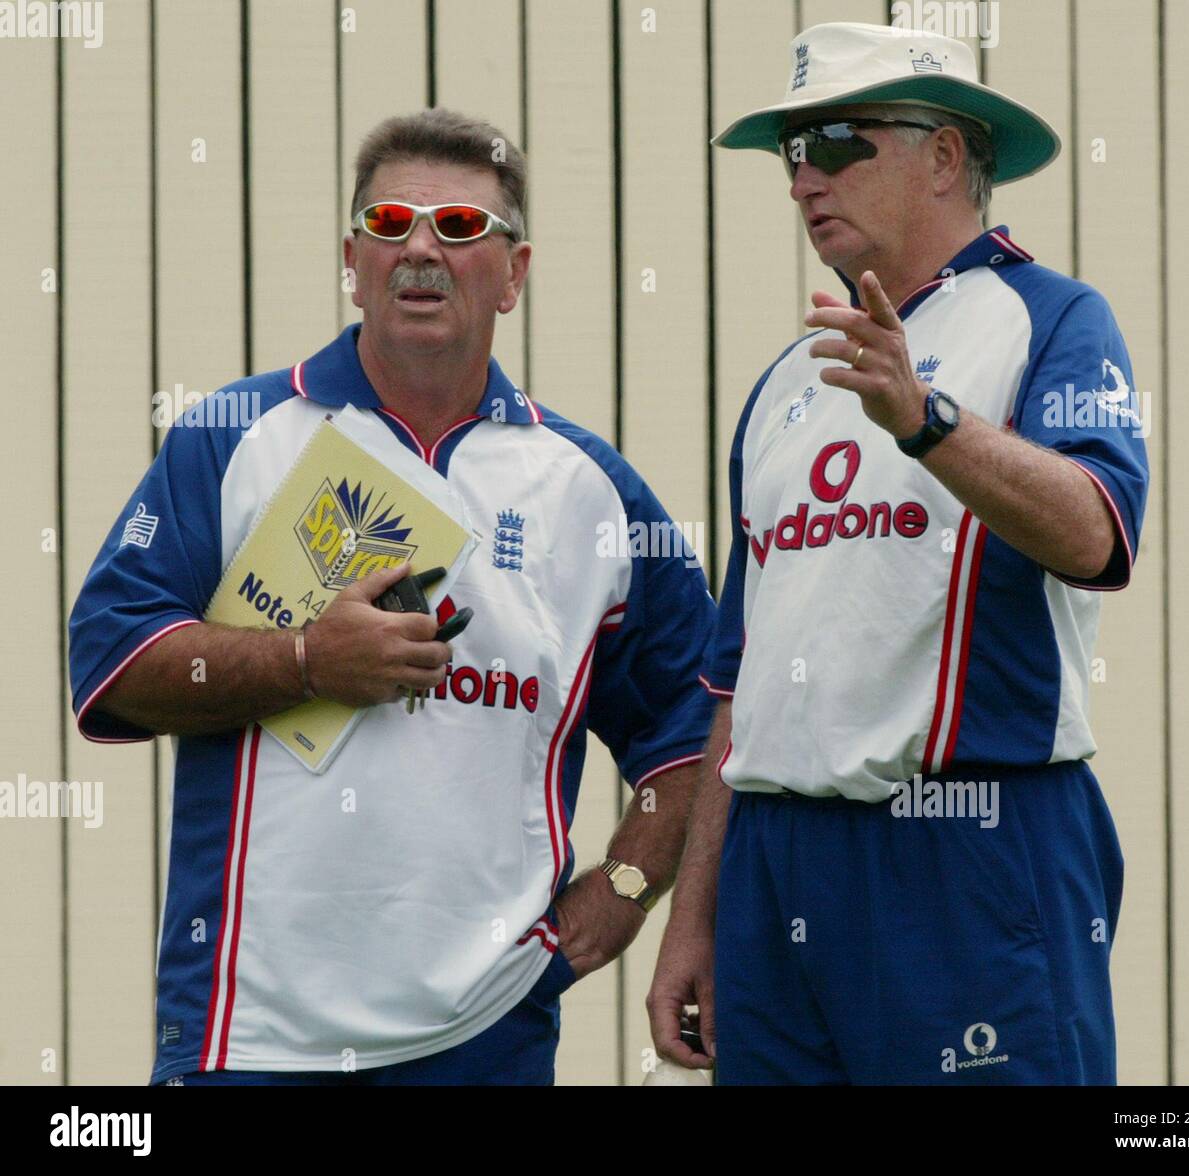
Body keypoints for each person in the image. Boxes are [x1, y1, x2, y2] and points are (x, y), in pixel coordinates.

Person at [68, 108, 715, 1086]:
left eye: (459, 227)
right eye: (389, 223)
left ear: (516, 273)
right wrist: (303, 662)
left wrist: (616, 899)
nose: (420, 247)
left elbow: (697, 735)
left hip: (485, 1036)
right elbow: (110, 665)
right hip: (247, 1038)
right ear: (352, 257)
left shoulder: (591, 488)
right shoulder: (236, 436)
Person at [647, 22, 1149, 1085]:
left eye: (834, 141)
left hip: (969, 836)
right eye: (791, 153)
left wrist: (928, 420)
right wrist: (695, 916)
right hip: (778, 868)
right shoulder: (788, 380)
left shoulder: (1052, 317)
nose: (801, 181)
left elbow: (1097, 532)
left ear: (945, 155)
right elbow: (739, 685)